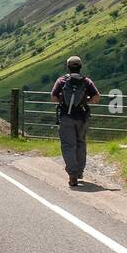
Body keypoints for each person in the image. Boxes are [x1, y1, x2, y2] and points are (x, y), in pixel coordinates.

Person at [49, 56, 100, 187]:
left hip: (66, 117)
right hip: (82, 117)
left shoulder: (61, 81)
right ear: (80, 66)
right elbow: (96, 98)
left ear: (68, 67)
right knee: (81, 144)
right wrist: (84, 102)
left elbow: (53, 98)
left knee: (68, 146)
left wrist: (63, 102)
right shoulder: (86, 81)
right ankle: (79, 172)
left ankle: (72, 175)